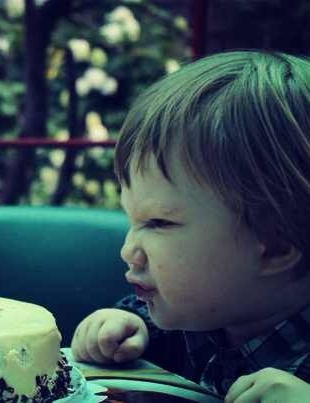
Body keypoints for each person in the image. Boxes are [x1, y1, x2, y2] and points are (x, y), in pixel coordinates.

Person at [71, 50, 310, 403]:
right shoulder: (185, 320)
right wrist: (121, 326)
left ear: (275, 247)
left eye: (158, 222)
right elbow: (140, 319)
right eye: (132, 220)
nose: (128, 251)